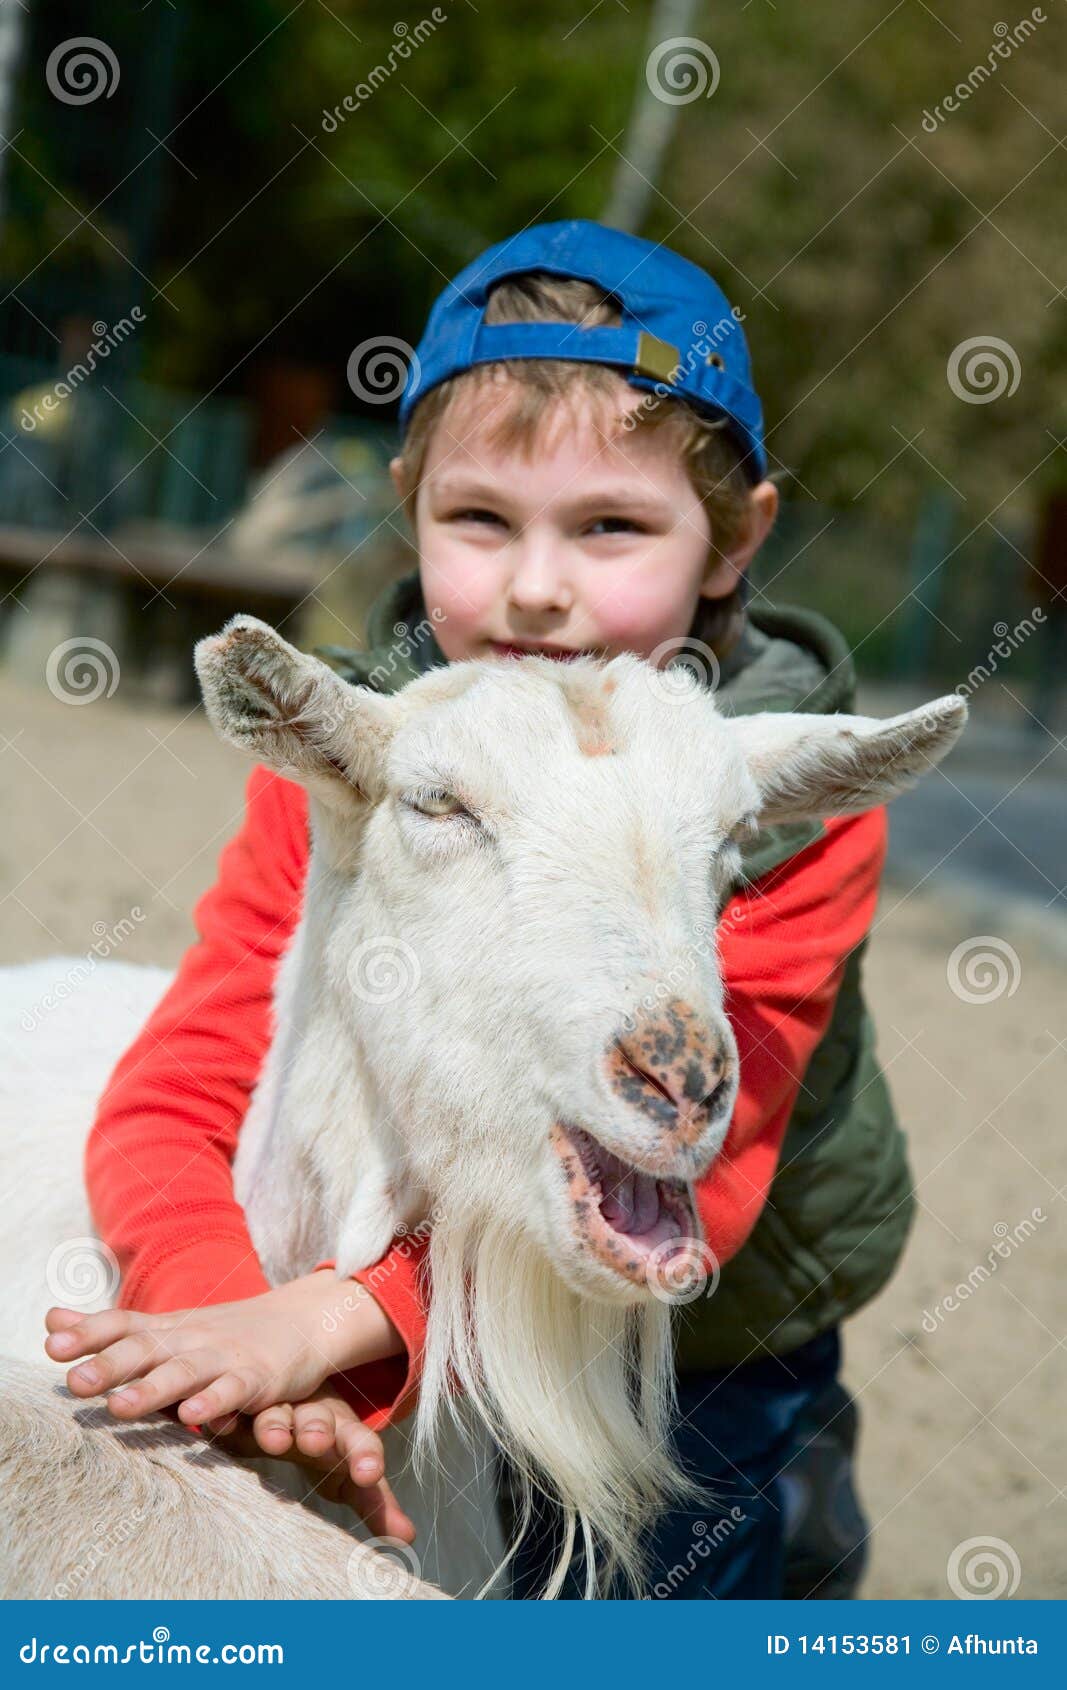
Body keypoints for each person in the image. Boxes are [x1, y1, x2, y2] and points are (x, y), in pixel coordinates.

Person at [46, 220, 911, 1598]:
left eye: (612, 525)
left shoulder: (777, 795)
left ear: (736, 541)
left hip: (701, 1345)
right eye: (480, 519)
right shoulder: (372, 762)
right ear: (411, 509)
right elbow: (188, 1074)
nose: (536, 585)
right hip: (427, 1330)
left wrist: (330, 1318)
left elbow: (690, 1166)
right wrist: (232, 1323)